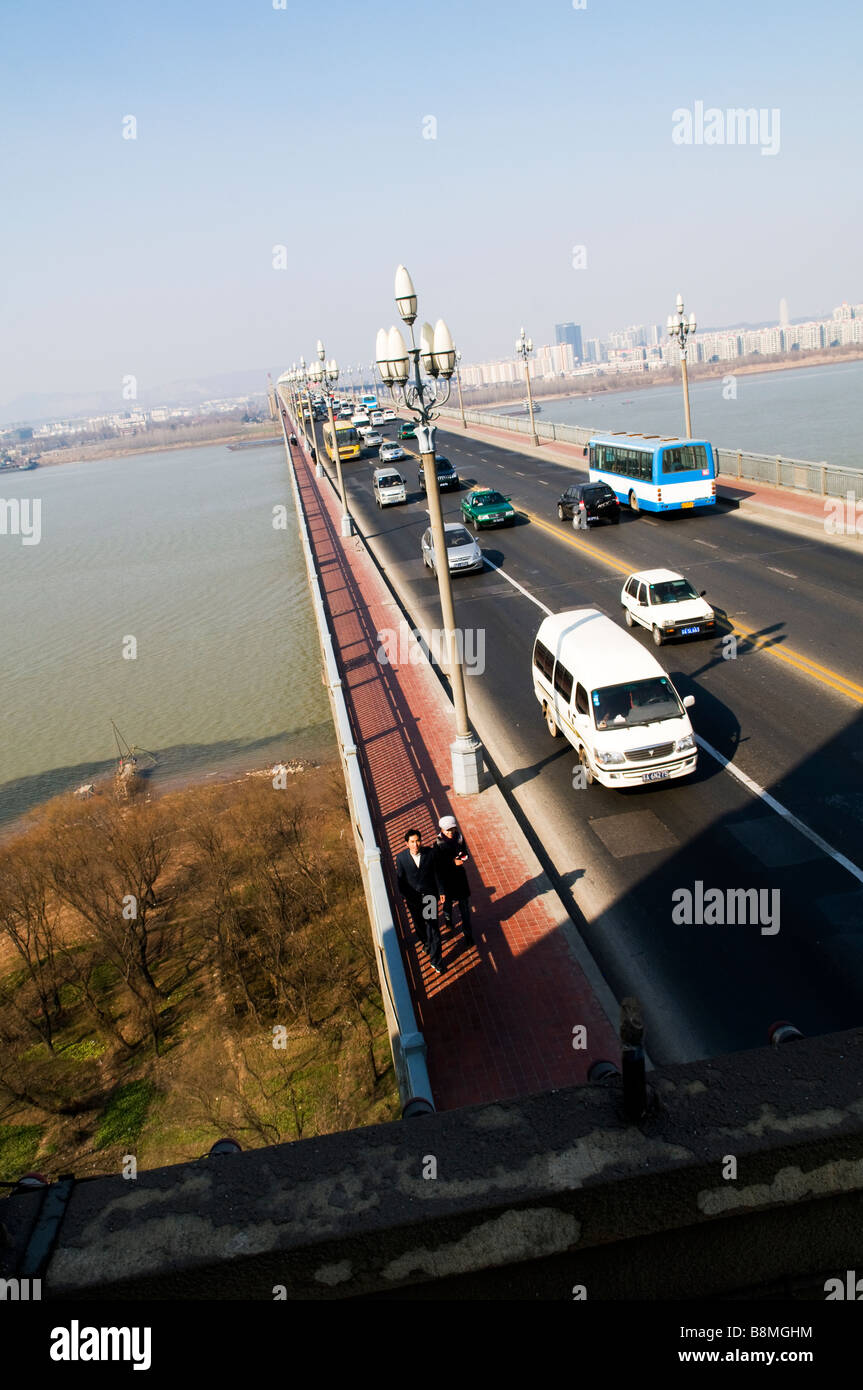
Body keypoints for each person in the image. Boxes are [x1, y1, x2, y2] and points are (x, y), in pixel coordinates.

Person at [395, 829, 445, 973]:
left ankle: (436, 960)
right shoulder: (401, 859)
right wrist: (406, 897)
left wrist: (441, 891)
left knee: (433, 929)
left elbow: (437, 874)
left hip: (429, 897)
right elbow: (401, 881)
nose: (416, 844)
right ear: (407, 844)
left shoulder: (430, 853)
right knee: (419, 926)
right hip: (413, 899)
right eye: (412, 842)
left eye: (418, 841)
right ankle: (426, 943)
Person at [434, 815, 474, 946]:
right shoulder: (438, 844)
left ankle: (468, 934)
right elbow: (438, 867)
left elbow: (465, 852)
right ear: (442, 830)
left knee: (465, 910)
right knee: (447, 905)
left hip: (460, 879)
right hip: (447, 881)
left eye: (452, 829)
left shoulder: (459, 838)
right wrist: (441, 890)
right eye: (447, 830)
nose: (450, 833)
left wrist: (463, 857)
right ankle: (448, 921)